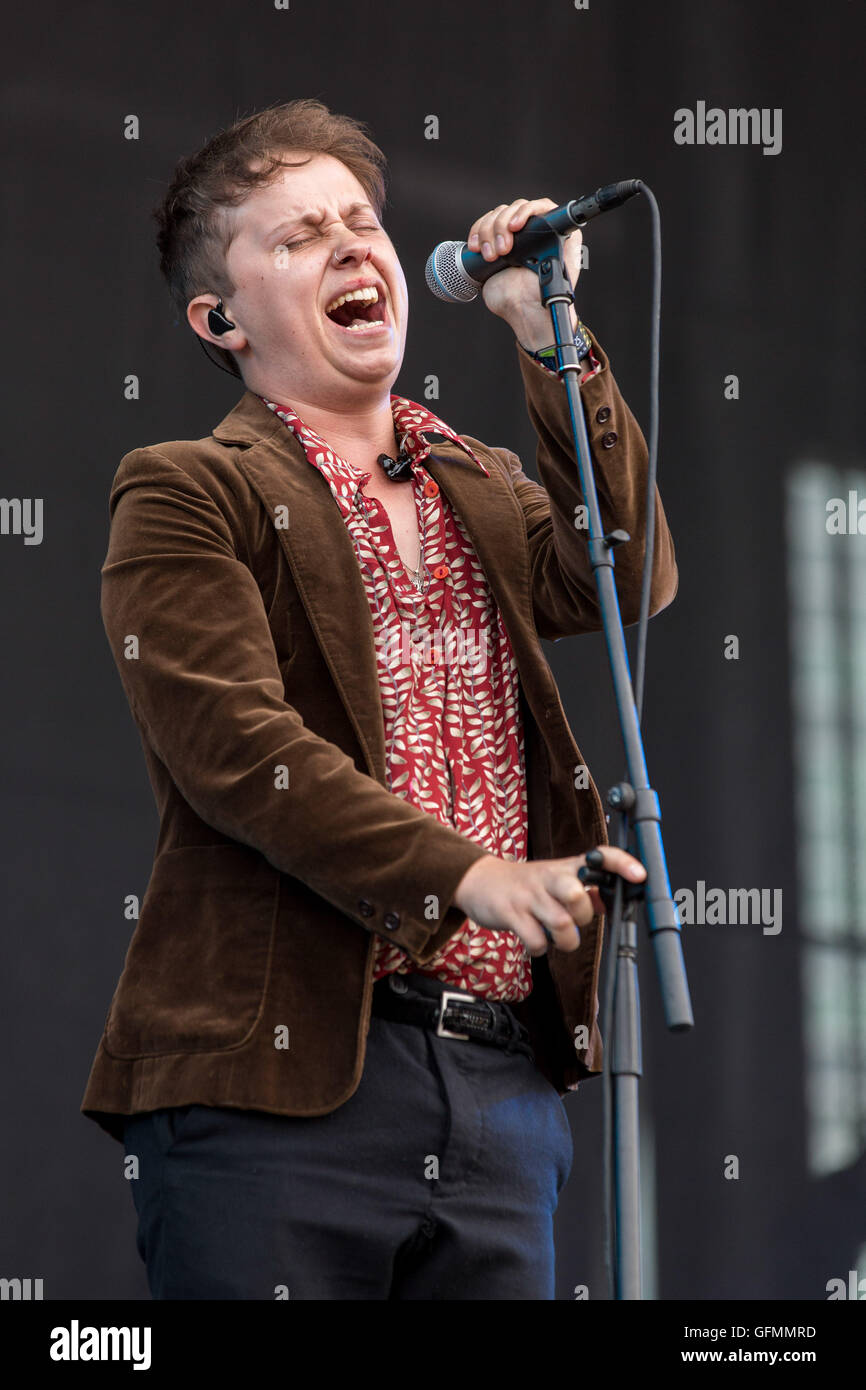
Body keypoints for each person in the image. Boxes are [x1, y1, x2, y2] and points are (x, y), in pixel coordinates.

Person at [81, 98, 678, 1300]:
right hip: (276, 1094)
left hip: (501, 1089)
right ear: (220, 318)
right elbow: (234, 746)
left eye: (361, 222)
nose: (352, 248)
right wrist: (469, 875)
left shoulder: (480, 482)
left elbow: (627, 575)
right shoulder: (187, 489)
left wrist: (546, 337)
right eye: (299, 237)